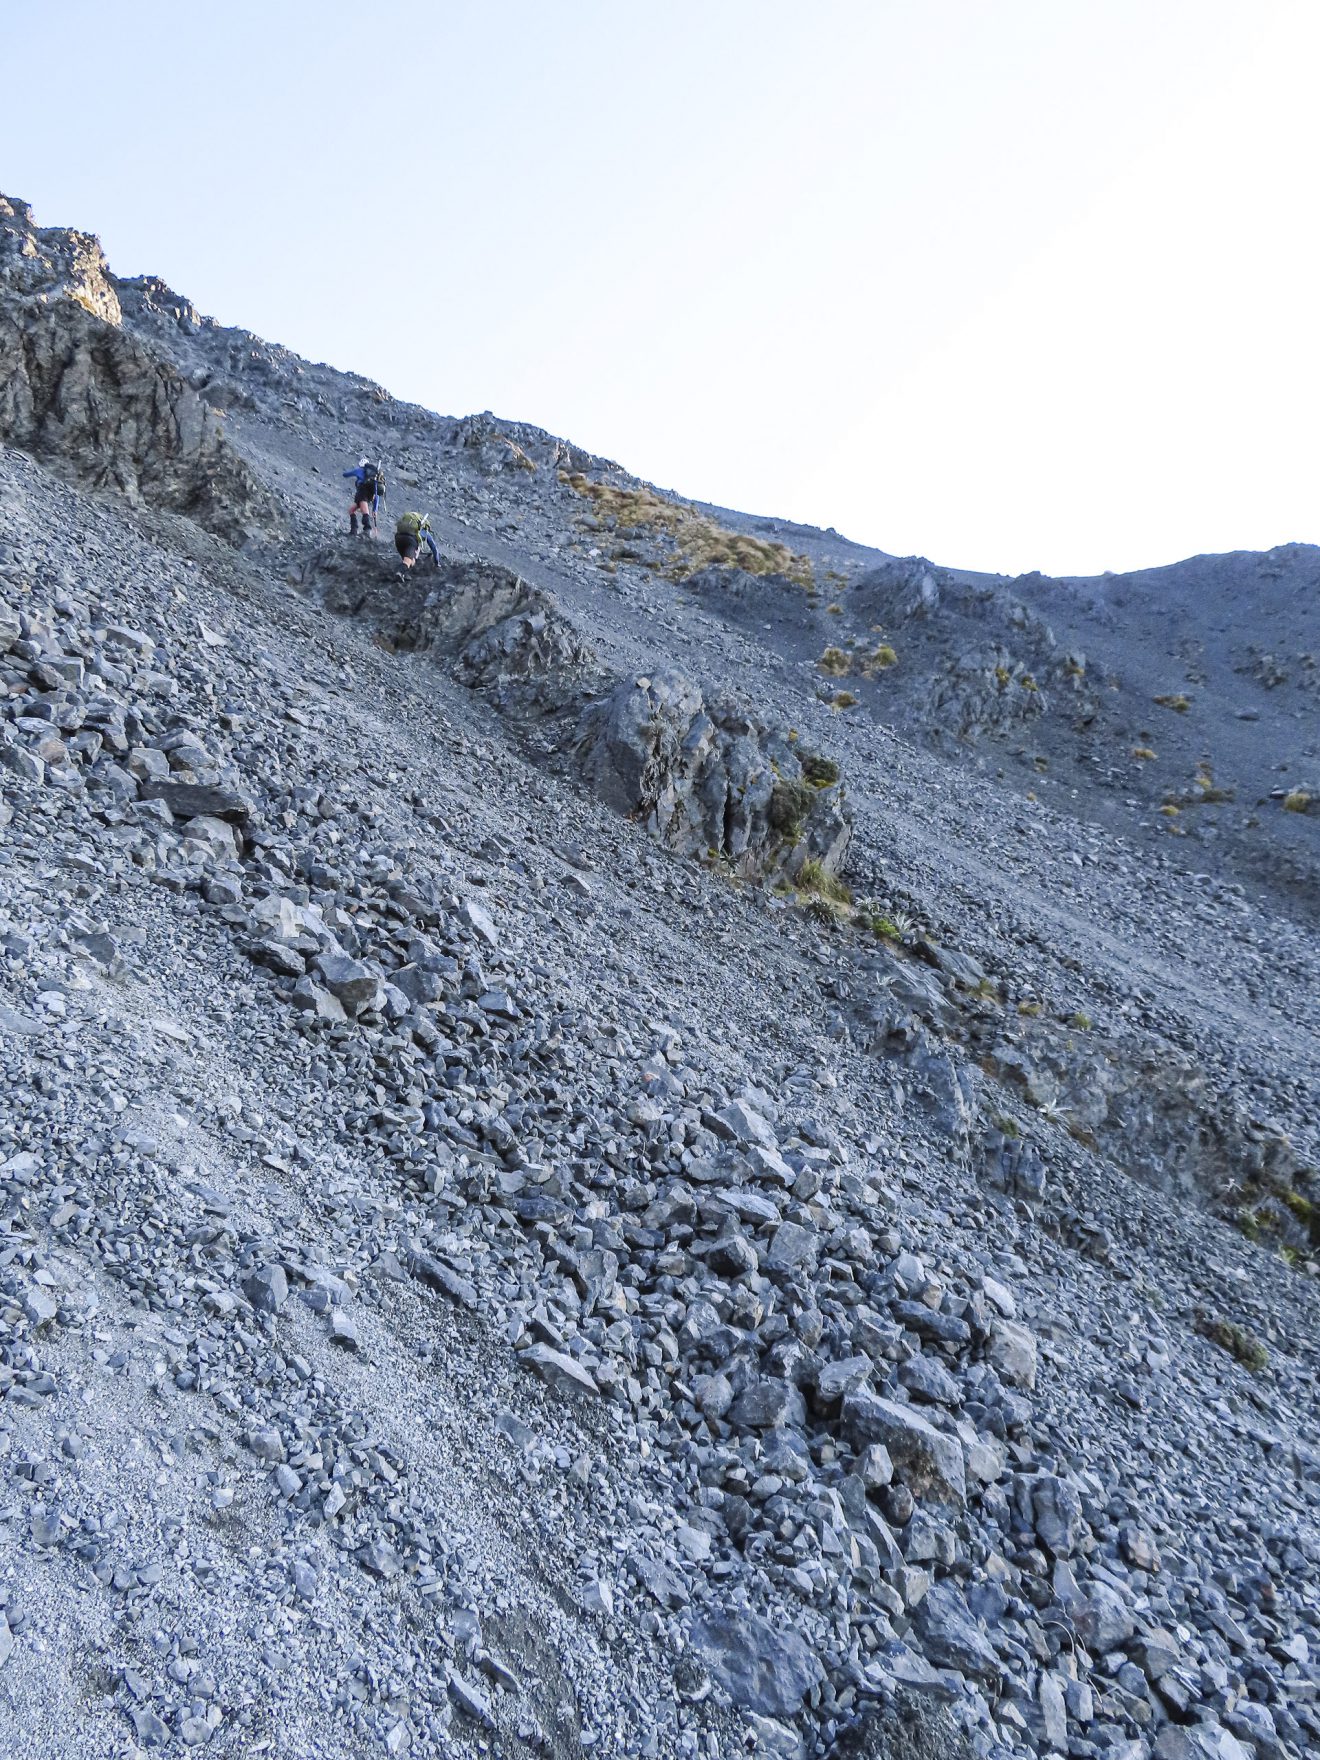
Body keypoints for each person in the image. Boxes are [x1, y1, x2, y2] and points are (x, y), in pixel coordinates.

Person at [343, 458, 385, 536]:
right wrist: (375, 509)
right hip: (369, 495)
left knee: (365, 512)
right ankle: (354, 530)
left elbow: (345, 474)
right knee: (351, 510)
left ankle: (367, 531)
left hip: (362, 492)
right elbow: (376, 494)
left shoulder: (360, 470)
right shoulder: (373, 478)